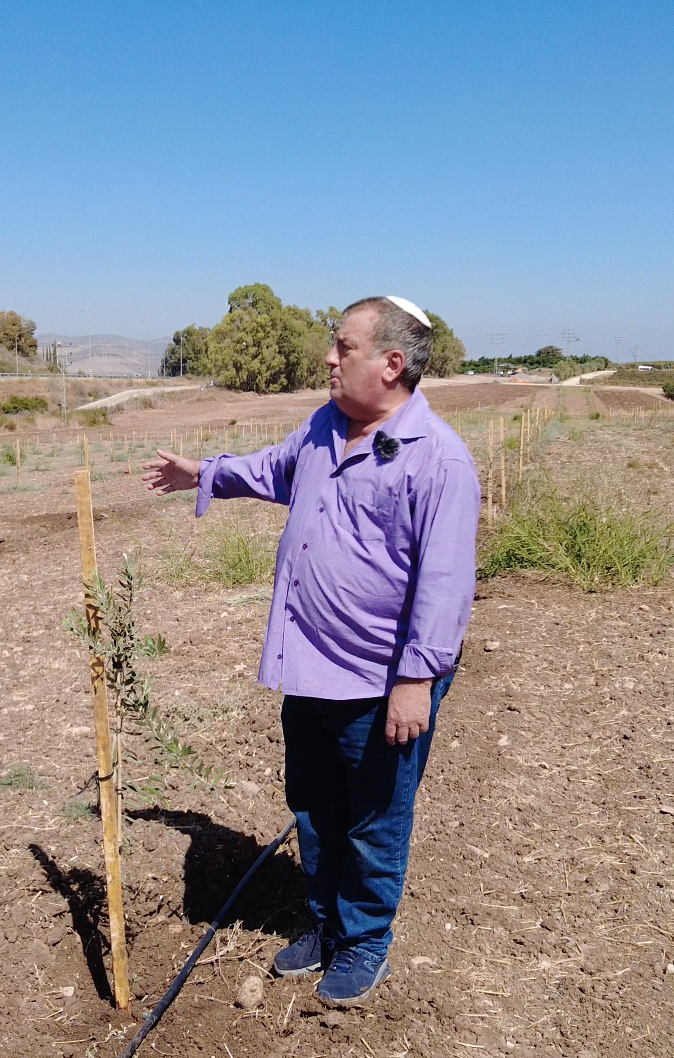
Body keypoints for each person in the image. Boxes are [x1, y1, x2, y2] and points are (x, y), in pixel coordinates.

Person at [142, 295, 480, 1006]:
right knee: (314, 809)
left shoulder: (439, 458)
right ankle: (326, 924)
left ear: (391, 364)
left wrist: (416, 680)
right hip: (311, 667)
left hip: (380, 680)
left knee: (374, 820)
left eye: (343, 347)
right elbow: (272, 469)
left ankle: (365, 940)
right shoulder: (326, 428)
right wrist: (203, 473)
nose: (329, 358)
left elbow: (445, 582)